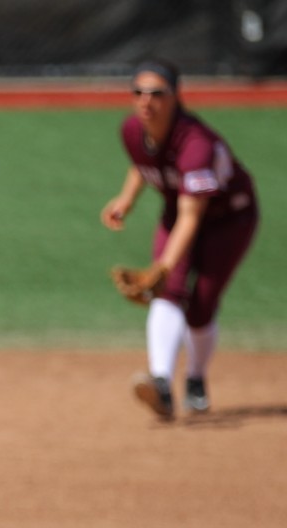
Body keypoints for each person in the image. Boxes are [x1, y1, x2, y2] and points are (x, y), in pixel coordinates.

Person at [101, 59, 259, 420]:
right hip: (179, 210)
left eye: (157, 93)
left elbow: (194, 214)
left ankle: (196, 379)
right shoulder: (131, 129)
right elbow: (143, 162)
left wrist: (163, 266)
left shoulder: (196, 144)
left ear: (175, 97)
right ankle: (160, 385)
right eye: (138, 92)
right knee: (169, 292)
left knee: (201, 303)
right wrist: (126, 199)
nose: (146, 101)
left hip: (229, 218)